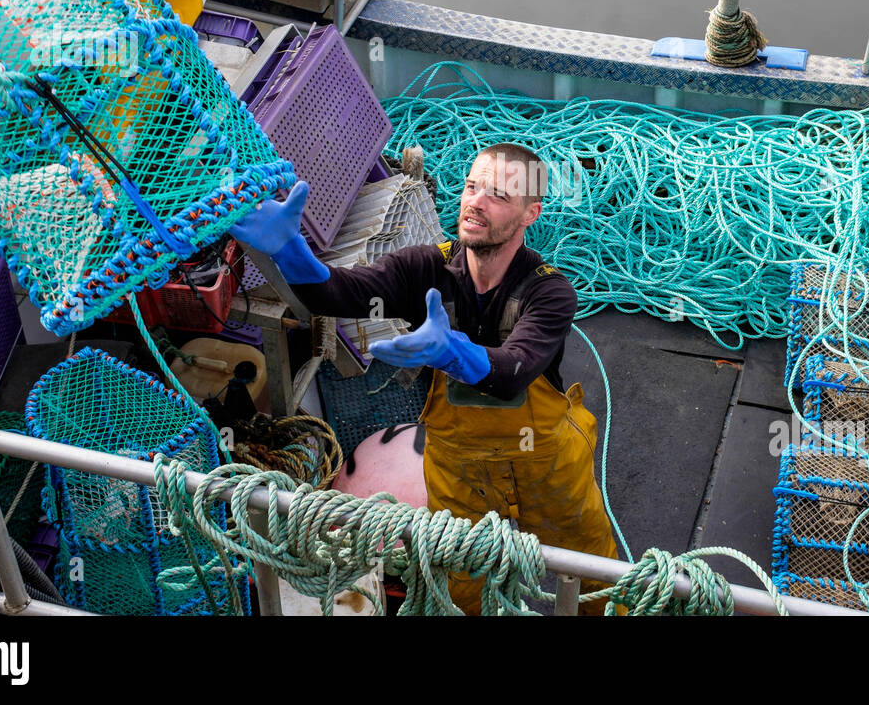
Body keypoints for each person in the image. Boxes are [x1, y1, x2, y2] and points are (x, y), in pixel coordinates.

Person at [230, 143, 620, 614]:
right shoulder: (426, 267)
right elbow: (340, 293)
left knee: (590, 568)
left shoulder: (549, 290)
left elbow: (513, 372)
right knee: (460, 577)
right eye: (472, 186)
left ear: (529, 214)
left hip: (546, 460)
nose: (476, 201)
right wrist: (290, 252)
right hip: (459, 462)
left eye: (498, 194)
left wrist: (452, 352)